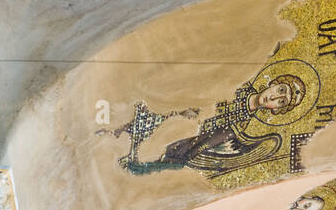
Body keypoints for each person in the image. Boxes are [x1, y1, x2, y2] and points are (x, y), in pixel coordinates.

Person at [122, 75, 306, 177]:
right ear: (273, 83)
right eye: (280, 90)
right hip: (175, 105)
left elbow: (206, 142)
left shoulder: (240, 125)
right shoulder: (240, 84)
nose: (273, 97)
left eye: (280, 102)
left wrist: (186, 154)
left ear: (275, 110)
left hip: (180, 130)